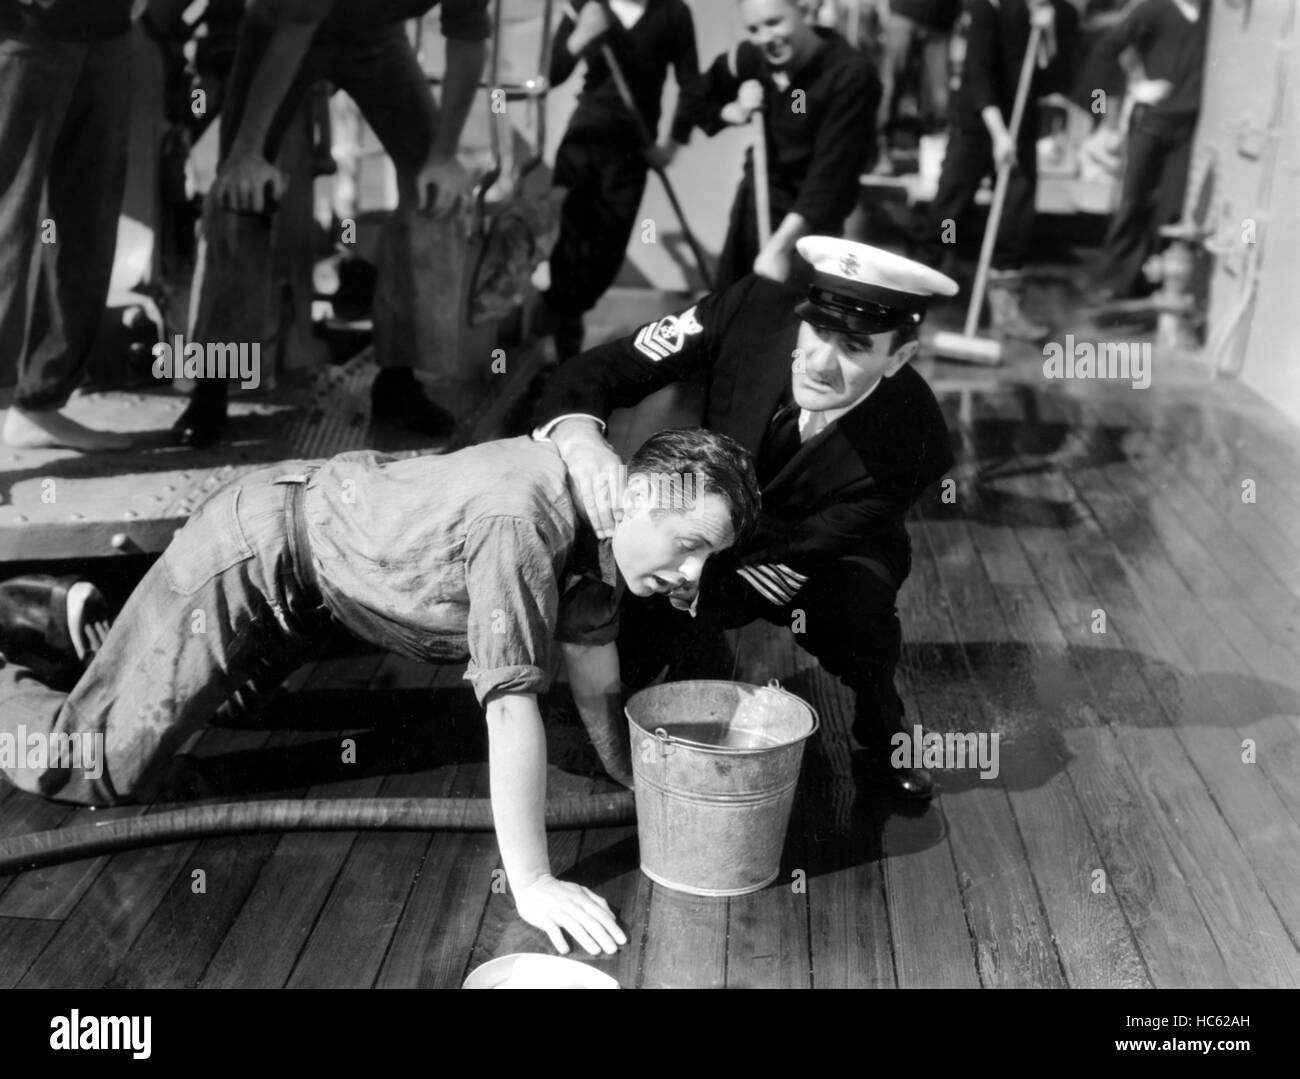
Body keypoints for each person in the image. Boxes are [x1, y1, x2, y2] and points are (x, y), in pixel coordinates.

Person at [0, 427, 759, 954]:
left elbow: (596, 679)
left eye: (709, 556)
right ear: (634, 497)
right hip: (251, 561)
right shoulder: (523, 523)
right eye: (690, 544)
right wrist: (530, 881)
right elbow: (508, 706)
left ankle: (70, 617)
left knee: (228, 710)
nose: (693, 575)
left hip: (314, 599)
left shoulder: (606, 546)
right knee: (95, 764)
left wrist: (640, 779)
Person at [533, 236, 956, 801]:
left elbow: (795, 553)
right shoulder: (751, 310)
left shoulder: (916, 437)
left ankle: (884, 731)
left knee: (858, 618)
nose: (822, 363)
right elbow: (605, 368)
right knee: (626, 651)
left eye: (855, 347)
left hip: (824, 547)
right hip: (708, 511)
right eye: (819, 331)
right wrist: (579, 435)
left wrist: (695, 594)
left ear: (898, 357)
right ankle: (667, 658)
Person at [171, 0, 491, 449]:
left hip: (377, 39)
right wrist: (247, 152)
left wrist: (443, 156)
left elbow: (468, 40)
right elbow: (297, 24)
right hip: (281, 27)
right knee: (237, 196)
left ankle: (400, 381)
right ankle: (211, 385)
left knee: (434, 194)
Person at [0, 0, 138, 453]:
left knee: (88, 219)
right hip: (21, 25)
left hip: (108, 26)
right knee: (8, 221)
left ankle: (38, 400)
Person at [672, 0, 880, 289]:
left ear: (805, 11)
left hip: (812, 222)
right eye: (754, 29)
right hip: (757, 197)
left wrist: (779, 248)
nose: (765, 38)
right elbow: (694, 99)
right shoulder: (750, 57)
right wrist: (732, 112)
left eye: (774, 23)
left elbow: (830, 176)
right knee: (730, 307)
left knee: (790, 321)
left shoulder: (851, 74)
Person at [541, 0, 699, 362]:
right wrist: (582, 34)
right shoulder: (585, 6)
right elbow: (550, 74)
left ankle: (552, 312)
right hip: (584, 140)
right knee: (568, 243)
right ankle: (563, 347)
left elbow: (692, 84)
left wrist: (672, 146)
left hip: (633, 150)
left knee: (606, 254)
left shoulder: (673, 13)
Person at [911, 0, 1078, 341]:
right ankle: (919, 287)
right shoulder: (989, 9)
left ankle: (1005, 309)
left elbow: (1055, 82)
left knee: (1016, 212)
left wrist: (1049, 37)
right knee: (950, 213)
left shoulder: (1059, 15)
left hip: (1021, 129)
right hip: (976, 124)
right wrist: (998, 133)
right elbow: (979, 73)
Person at [1089, 0, 1206, 304]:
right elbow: (1107, 49)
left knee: (1172, 207)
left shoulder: (1212, 14)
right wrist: (1135, 87)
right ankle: (1114, 282)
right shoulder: (1153, 9)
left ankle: (1152, 279)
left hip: (1189, 128)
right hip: (1151, 122)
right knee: (1133, 199)